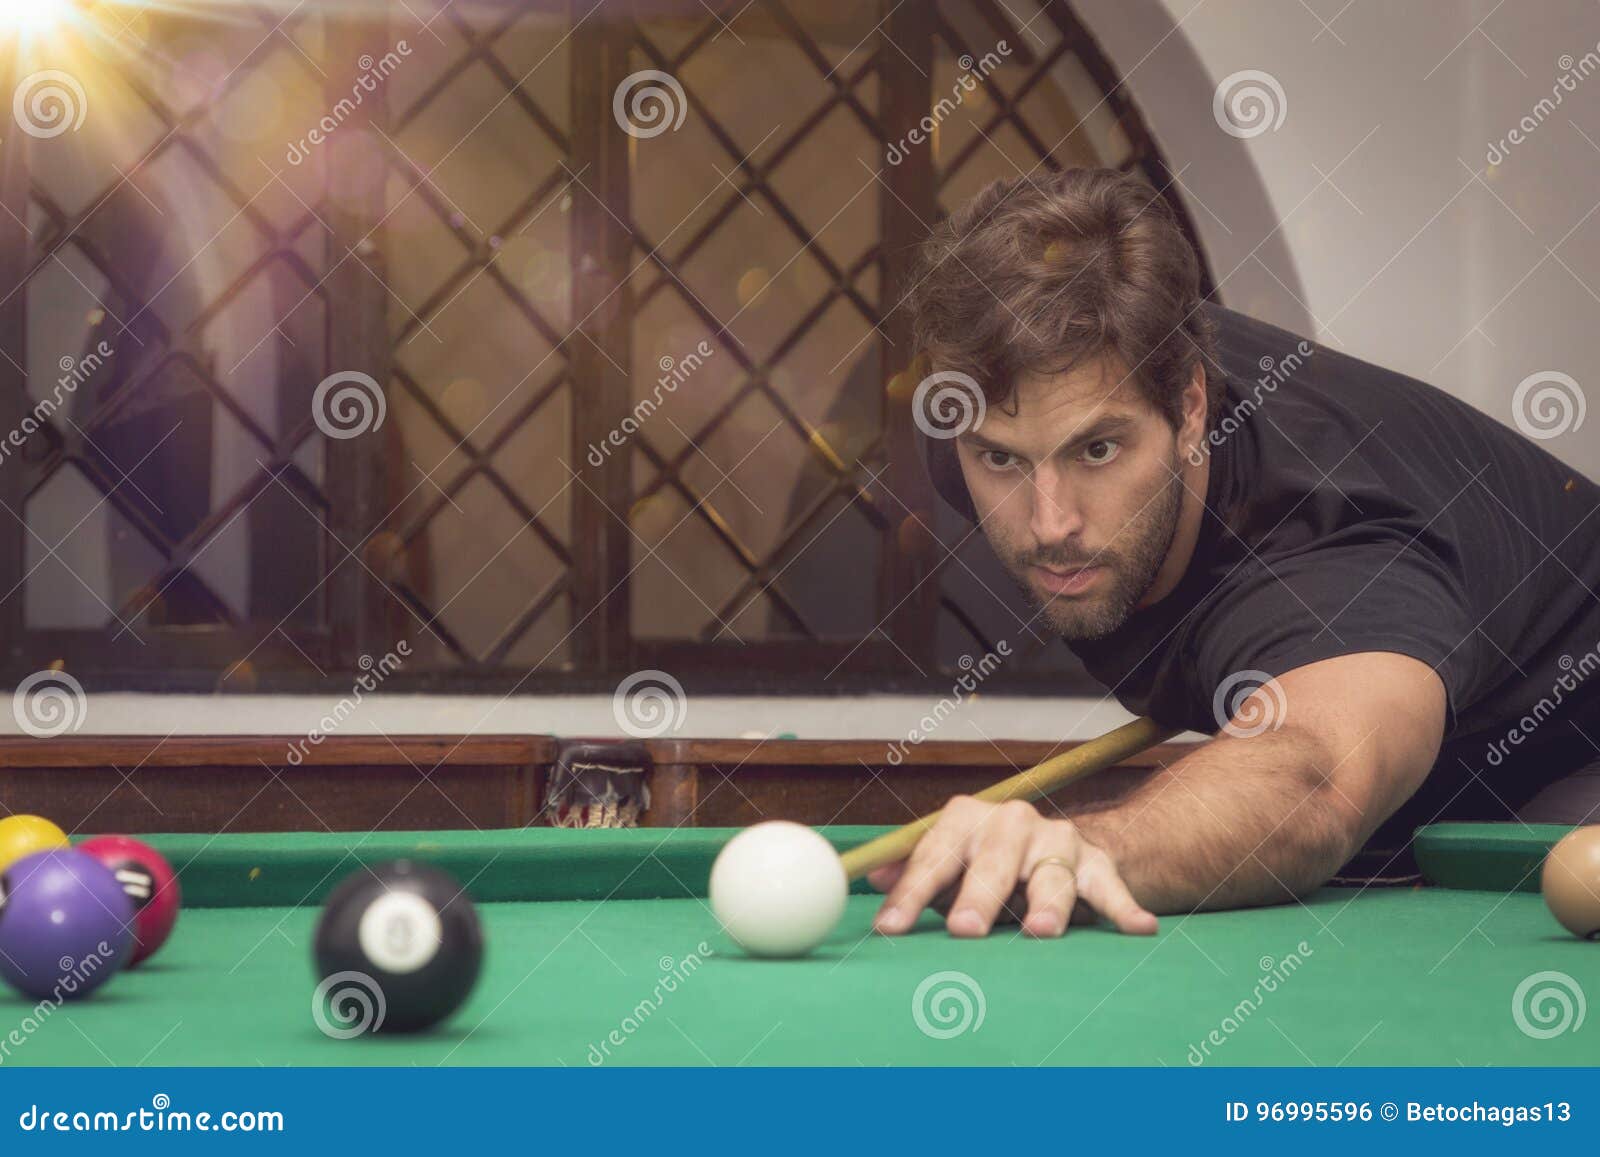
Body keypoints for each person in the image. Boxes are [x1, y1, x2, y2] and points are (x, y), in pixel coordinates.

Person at [873, 167, 1600, 940]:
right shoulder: (976, 427)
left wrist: (1088, 845)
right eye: (1004, 461)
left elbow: (1312, 775)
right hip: (1433, 777)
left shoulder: (1334, 542)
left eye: (1097, 448)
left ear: (1190, 408)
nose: (1050, 523)